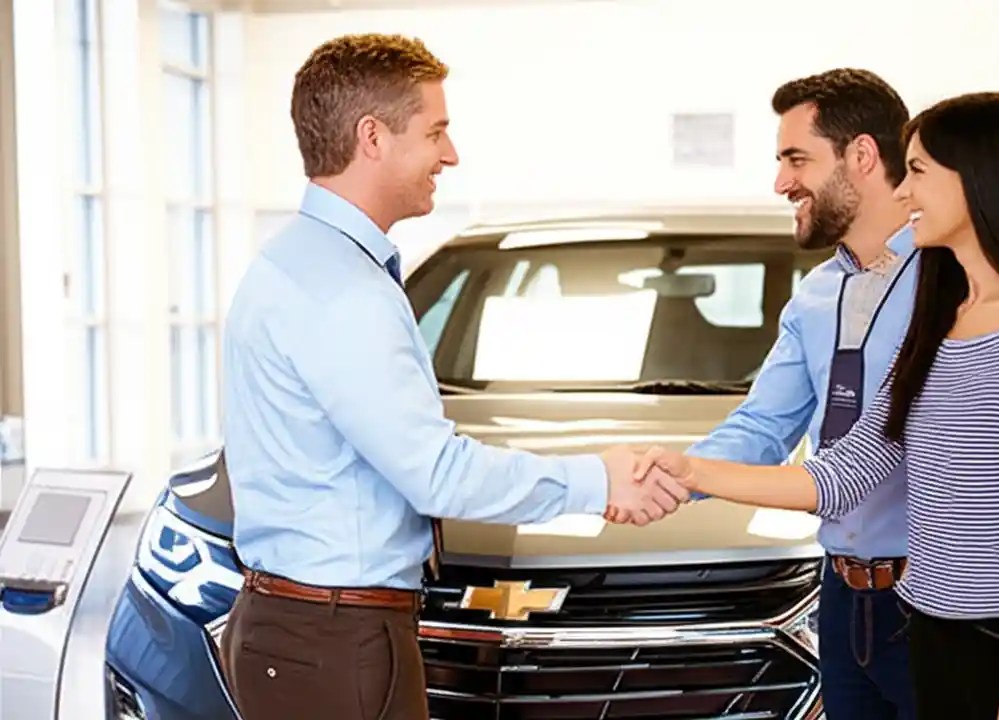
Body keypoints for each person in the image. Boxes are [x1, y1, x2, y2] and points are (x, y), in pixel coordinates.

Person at [216, 34, 684, 720]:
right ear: (371, 137)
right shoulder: (344, 291)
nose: (450, 154)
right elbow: (436, 474)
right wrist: (600, 478)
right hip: (337, 638)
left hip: (297, 626)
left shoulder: (294, 261)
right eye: (435, 131)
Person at [633, 92, 999, 720]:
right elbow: (844, 471)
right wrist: (686, 471)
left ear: (977, 182)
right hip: (922, 622)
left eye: (916, 172)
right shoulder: (938, 321)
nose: (904, 192)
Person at [615, 68, 923, 718]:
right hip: (840, 600)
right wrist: (668, 478)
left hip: (935, 598)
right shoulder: (815, 297)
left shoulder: (952, 278)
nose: (781, 181)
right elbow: (760, 428)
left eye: (796, 159)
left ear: (862, 156)